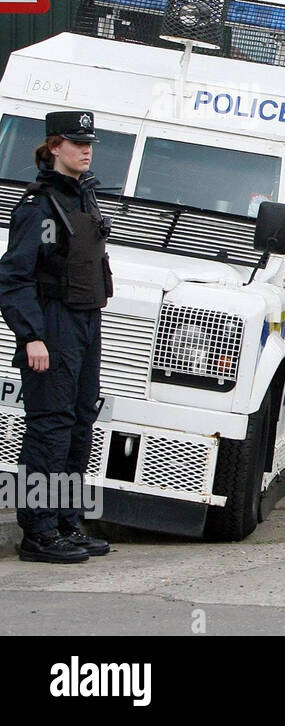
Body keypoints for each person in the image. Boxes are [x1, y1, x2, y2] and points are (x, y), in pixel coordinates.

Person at [0, 111, 113, 563]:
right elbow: (13, 277)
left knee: (79, 424)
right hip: (53, 324)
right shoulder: (37, 205)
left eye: (89, 143)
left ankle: (66, 520)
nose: (86, 149)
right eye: (76, 142)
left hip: (86, 321)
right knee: (49, 429)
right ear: (54, 147)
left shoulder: (84, 196)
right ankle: (39, 531)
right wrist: (32, 337)